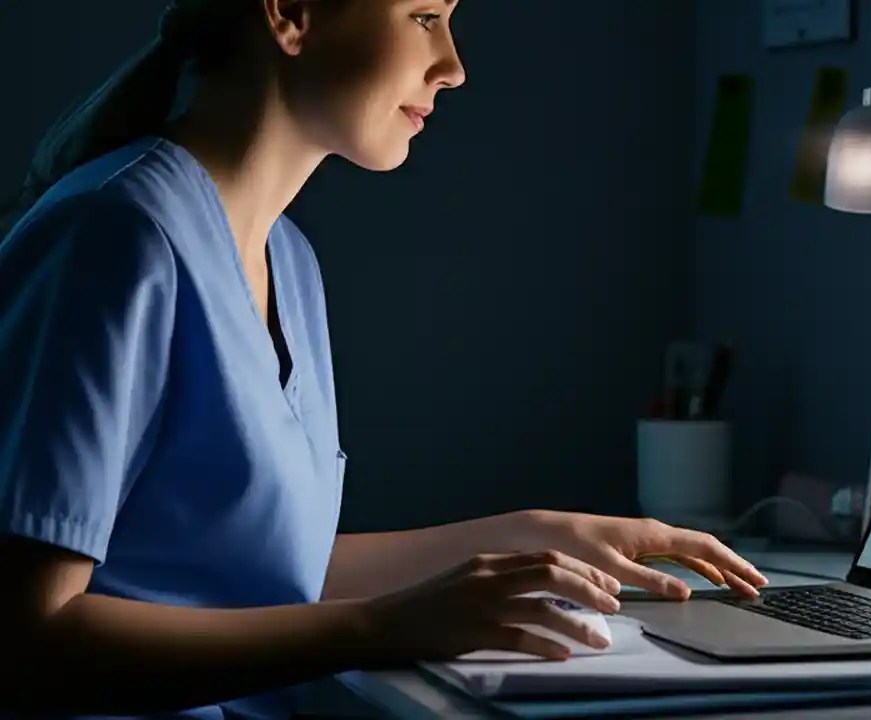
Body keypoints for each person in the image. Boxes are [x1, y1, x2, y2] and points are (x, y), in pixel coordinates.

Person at [0, 2, 769, 718]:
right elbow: (28, 637)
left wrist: (534, 534)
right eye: (425, 17)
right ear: (291, 15)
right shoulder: (111, 239)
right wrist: (380, 628)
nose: (454, 65)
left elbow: (241, 571)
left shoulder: (287, 261)